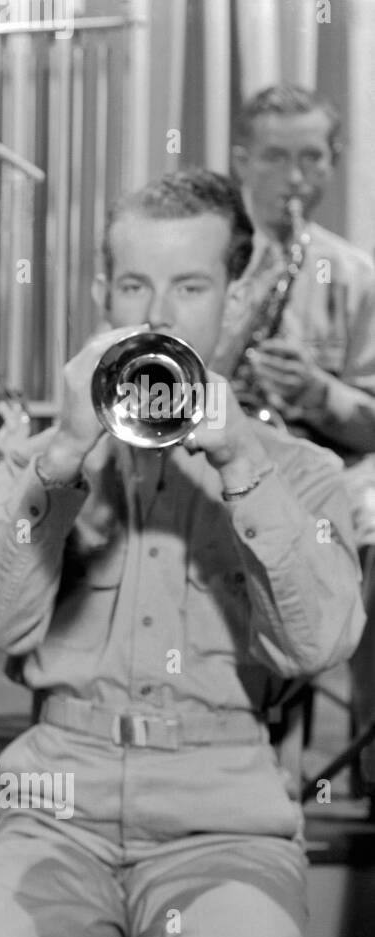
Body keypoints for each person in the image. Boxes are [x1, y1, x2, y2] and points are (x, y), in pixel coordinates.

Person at [0, 170, 364, 937]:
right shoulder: (47, 453)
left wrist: (239, 456)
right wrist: (55, 462)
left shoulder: (300, 471)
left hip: (224, 815)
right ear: (102, 294)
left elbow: (318, 643)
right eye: (135, 286)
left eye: (191, 288)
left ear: (237, 297)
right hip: (58, 804)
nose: (158, 312)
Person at [214, 82, 375, 800]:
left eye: (312, 158)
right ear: (242, 160)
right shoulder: (204, 264)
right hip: (217, 461)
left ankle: (362, 768)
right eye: (276, 158)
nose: (296, 178)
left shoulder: (354, 274)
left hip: (329, 470)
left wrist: (321, 393)